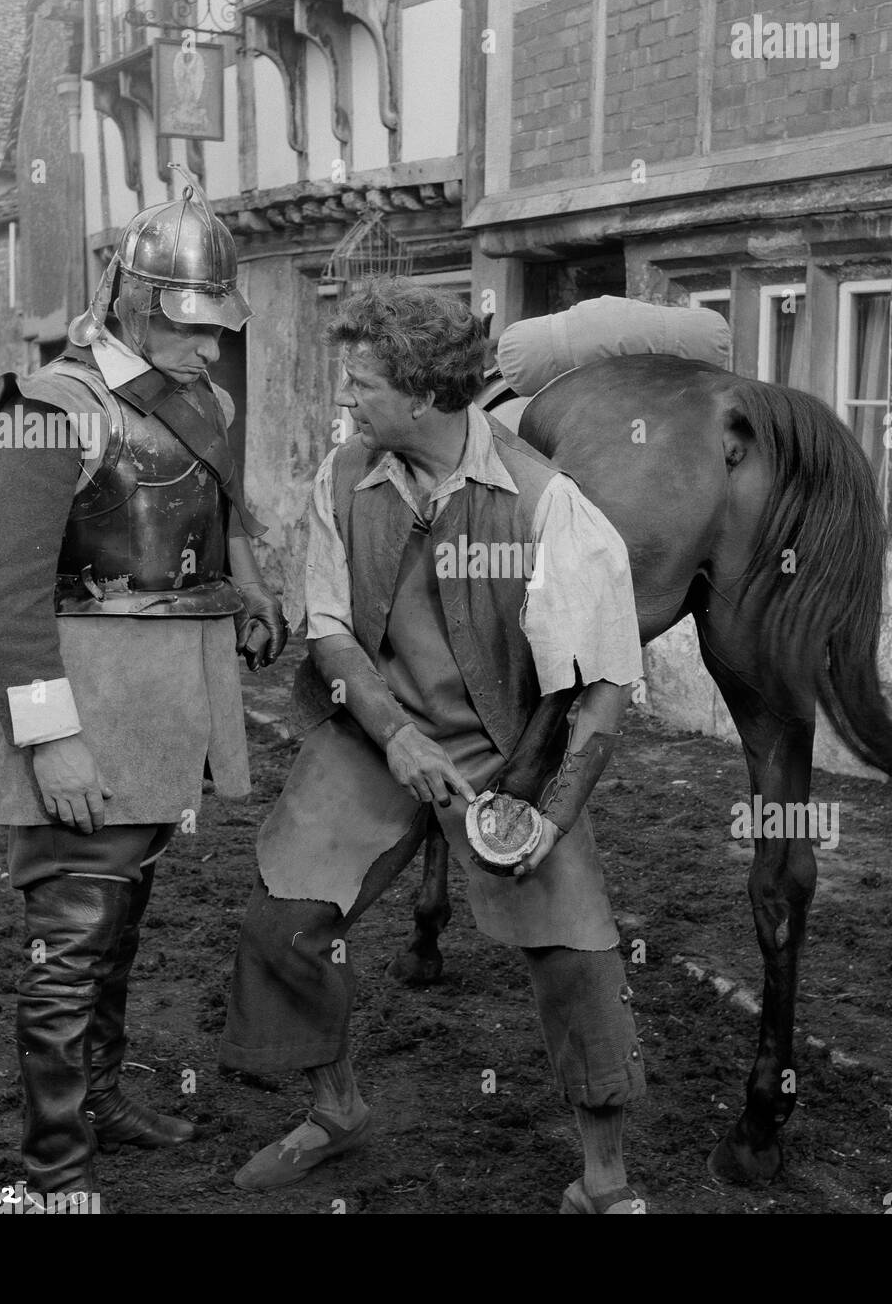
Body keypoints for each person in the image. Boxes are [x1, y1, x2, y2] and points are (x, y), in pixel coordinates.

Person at [220, 279, 646, 1214]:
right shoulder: (342, 477)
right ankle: (336, 1111)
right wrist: (397, 735)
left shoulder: (548, 508)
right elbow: (329, 630)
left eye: (361, 383)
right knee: (286, 920)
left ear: (423, 399)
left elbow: (606, 689)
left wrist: (550, 815)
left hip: (507, 754)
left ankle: (603, 1181)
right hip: (375, 733)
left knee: (578, 953)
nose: (345, 397)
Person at [0, 169, 286, 1211]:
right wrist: (49, 737)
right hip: (82, 713)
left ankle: (98, 1097)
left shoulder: (204, 401)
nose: (209, 343)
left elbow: (207, 524)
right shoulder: (48, 408)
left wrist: (251, 589)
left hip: (163, 711)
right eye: (190, 324)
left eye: (217, 324)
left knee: (120, 919)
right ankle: (56, 1165)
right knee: (67, 945)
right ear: (137, 303)